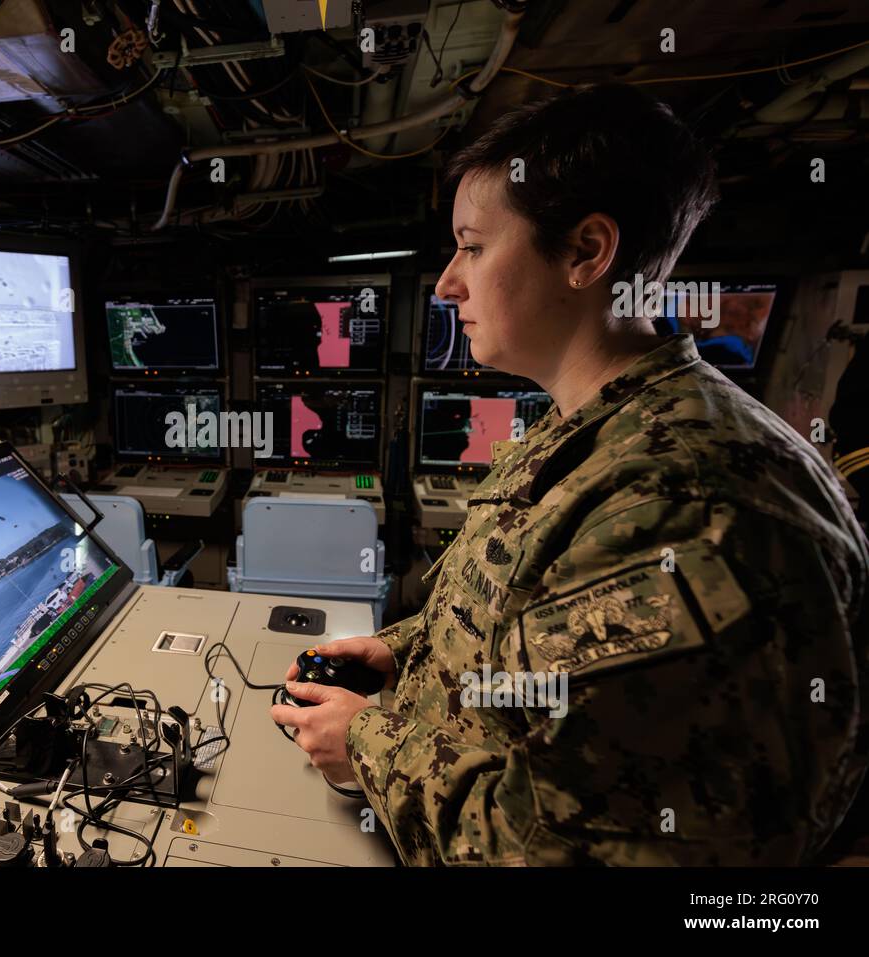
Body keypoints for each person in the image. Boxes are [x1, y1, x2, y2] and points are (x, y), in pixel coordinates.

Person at [269, 83, 869, 865]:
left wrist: (368, 745)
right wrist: (406, 649)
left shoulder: (682, 507)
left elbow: (553, 850)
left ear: (587, 252)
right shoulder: (603, 426)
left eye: (474, 246)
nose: (450, 283)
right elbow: (539, 631)